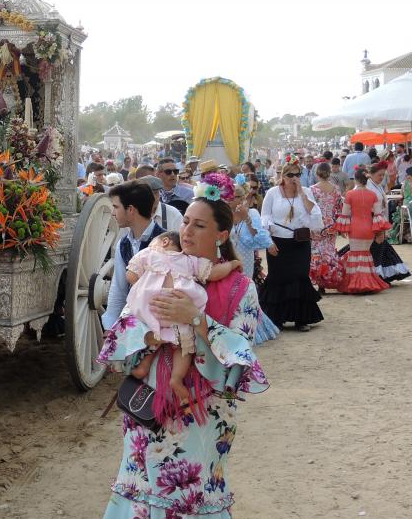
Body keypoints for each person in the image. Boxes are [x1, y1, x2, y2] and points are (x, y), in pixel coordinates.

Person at [80, 196, 268, 519]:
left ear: (222, 234)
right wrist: (145, 334)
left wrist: (198, 321)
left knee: (187, 503)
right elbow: (123, 333)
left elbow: (239, 366)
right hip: (148, 407)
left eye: (200, 226)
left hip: (202, 416)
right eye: (186, 223)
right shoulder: (156, 267)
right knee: (140, 498)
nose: (187, 232)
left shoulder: (242, 289)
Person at [106, 230, 241, 402]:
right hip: (179, 310)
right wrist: (231, 265)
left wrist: (146, 280)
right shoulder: (189, 261)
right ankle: (176, 378)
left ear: (164, 242)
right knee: (183, 346)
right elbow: (214, 273)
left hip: (152, 309)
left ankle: (143, 366)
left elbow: (131, 276)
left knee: (153, 334)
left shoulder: (148, 253)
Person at [259, 160, 324, 331]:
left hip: (300, 242)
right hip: (278, 242)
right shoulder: (272, 193)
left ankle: (301, 319)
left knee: (300, 277)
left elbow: (315, 213)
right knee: (277, 277)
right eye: (290, 175)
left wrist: (302, 193)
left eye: (297, 175)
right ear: (283, 176)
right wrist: (268, 241)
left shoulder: (307, 192)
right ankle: (277, 317)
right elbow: (265, 218)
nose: (294, 178)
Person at [101, 181, 169, 330]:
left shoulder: (166, 242)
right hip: (133, 324)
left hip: (161, 324)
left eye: (116, 207)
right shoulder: (123, 244)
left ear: (130, 209)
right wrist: (111, 327)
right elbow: (119, 288)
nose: (113, 213)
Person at [229, 183, 279, 344]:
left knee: (244, 292)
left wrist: (247, 219)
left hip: (246, 260)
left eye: (236, 196)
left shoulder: (252, 213)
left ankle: (250, 330)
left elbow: (258, 238)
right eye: (229, 196)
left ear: (243, 198)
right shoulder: (221, 214)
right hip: (227, 259)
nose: (231, 199)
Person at [334, 167, 391, 294]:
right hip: (369, 228)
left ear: (355, 180)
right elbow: (378, 214)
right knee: (365, 254)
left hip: (355, 228)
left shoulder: (350, 194)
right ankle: (367, 283)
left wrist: (342, 230)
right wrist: (380, 232)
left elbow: (345, 214)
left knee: (355, 255)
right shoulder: (373, 195)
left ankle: (356, 283)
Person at [363, 162, 411, 284]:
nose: (381, 178)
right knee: (376, 247)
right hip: (373, 221)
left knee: (380, 246)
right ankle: (376, 274)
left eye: (383, 175)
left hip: (380, 220)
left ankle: (380, 274)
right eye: (379, 175)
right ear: (371, 175)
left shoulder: (376, 185)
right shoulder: (368, 186)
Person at [308, 162, 344, 292]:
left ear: (317, 173)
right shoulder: (336, 189)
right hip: (331, 224)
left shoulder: (312, 189)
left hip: (317, 224)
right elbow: (339, 208)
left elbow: (309, 209)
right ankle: (325, 280)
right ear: (329, 173)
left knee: (316, 252)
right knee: (328, 252)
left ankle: (317, 280)